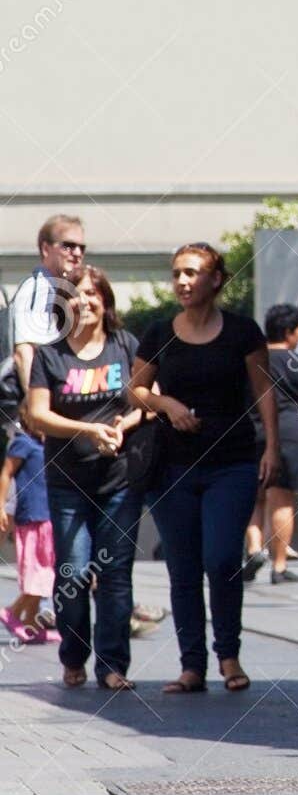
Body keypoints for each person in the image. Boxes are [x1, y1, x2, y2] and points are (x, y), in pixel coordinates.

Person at [129, 244, 278, 693]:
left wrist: (272, 446)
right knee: (184, 566)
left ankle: (229, 657)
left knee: (221, 559)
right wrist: (164, 403)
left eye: (193, 273)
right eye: (177, 273)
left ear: (216, 279)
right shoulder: (159, 333)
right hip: (172, 468)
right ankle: (192, 665)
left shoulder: (242, 332)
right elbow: (135, 390)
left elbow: (264, 391)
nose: (183, 281)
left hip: (230, 463)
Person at [26, 267, 142, 689]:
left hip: (119, 480)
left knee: (114, 574)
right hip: (67, 483)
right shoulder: (50, 354)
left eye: (93, 293)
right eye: (76, 295)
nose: (85, 301)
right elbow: (38, 414)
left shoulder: (124, 346)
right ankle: (73, 653)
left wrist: (120, 428)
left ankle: (112, 666)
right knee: (73, 572)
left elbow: (144, 401)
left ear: (106, 301)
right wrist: (89, 430)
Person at [242, 305, 298, 585]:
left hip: (252, 432)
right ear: (289, 332)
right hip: (288, 434)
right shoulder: (296, 362)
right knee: (283, 499)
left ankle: (254, 549)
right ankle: (278, 566)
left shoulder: (251, 360)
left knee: (254, 497)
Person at [9, 214, 87, 389]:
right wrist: (35, 404)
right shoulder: (37, 289)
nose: (77, 253)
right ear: (46, 249)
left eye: (82, 248)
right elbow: (24, 353)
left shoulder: (68, 291)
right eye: (68, 246)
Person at [0, 418, 56, 644]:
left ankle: (31, 624)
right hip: (32, 516)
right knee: (40, 574)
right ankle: (12, 611)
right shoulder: (23, 443)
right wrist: (1, 505)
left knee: (46, 572)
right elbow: (6, 473)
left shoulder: (45, 444)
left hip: (47, 514)